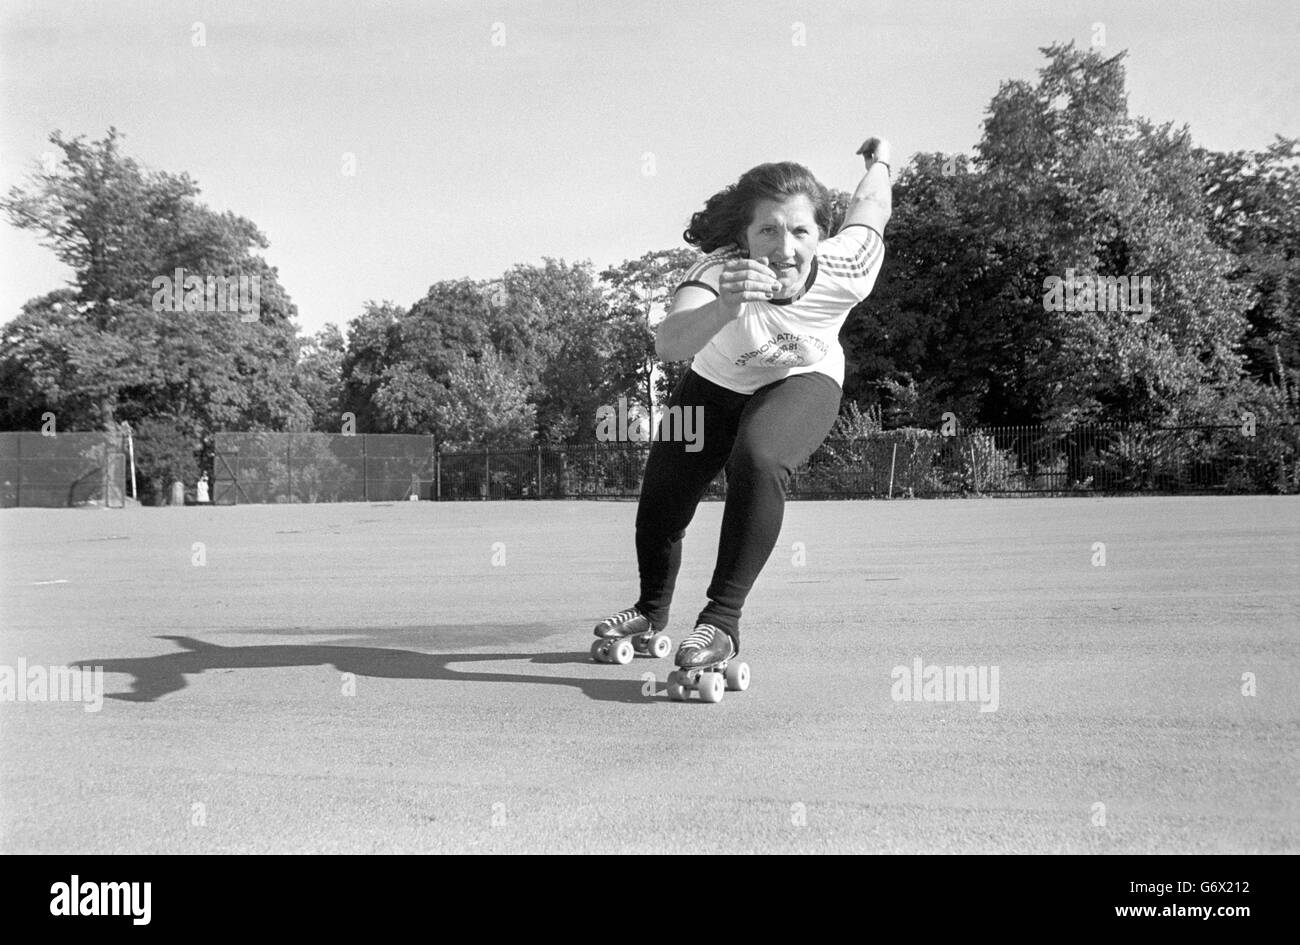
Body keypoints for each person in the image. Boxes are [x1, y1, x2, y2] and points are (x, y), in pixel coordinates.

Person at [592, 137, 893, 687]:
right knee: (663, 495)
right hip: (716, 383)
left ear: (820, 236)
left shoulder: (847, 265)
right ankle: (650, 610)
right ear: (744, 239)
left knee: (759, 456)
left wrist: (881, 161)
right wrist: (727, 305)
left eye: (800, 230)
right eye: (768, 230)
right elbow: (669, 343)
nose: (785, 247)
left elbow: (871, 207)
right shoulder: (719, 270)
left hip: (803, 377)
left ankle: (721, 621)